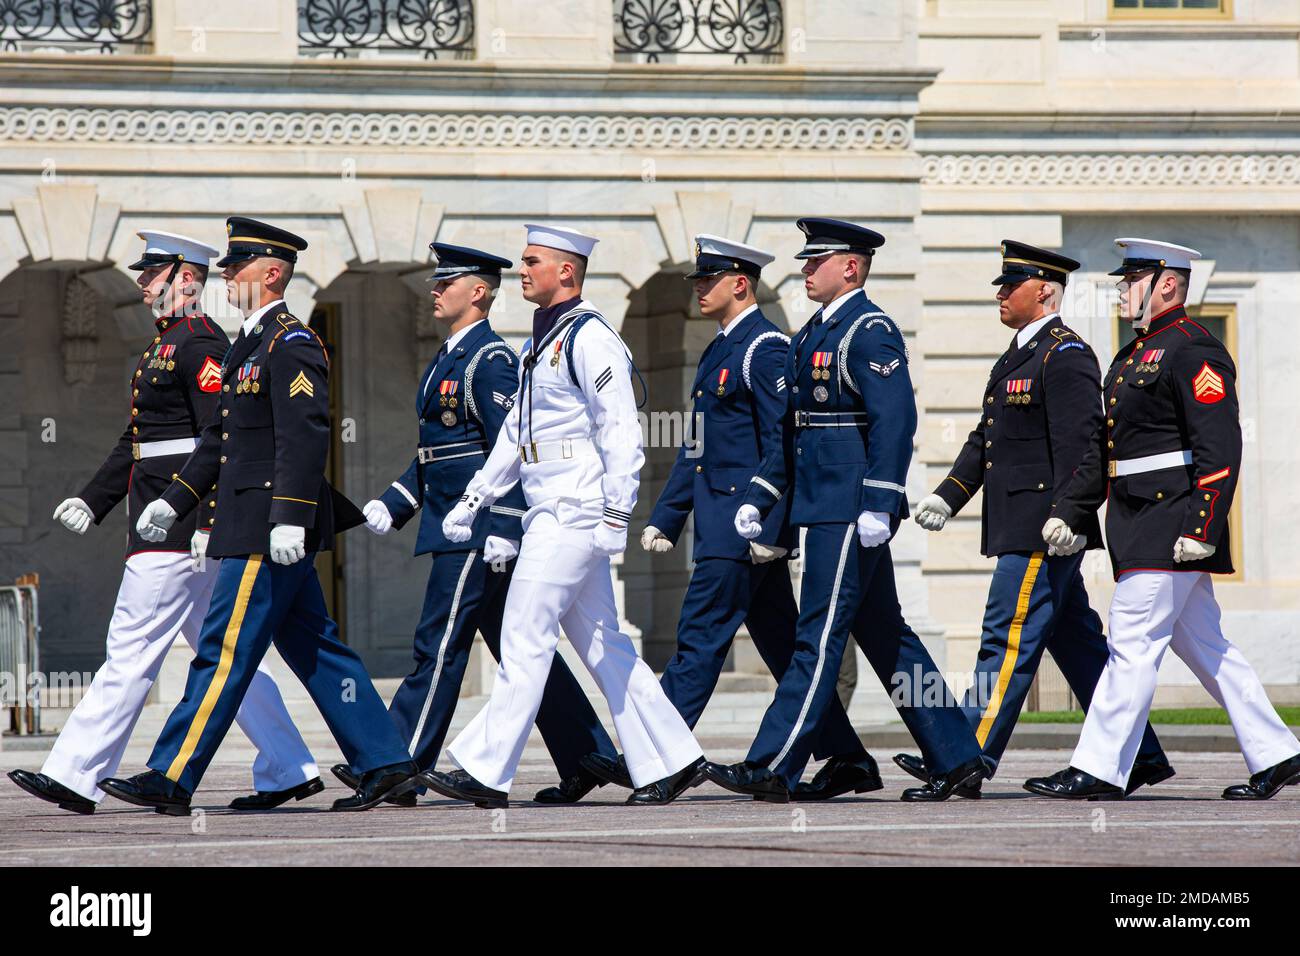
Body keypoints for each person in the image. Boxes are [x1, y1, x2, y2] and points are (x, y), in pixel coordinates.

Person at [98, 217, 417, 815]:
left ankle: (170, 774)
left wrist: (291, 517)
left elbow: (305, 434)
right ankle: (387, 763)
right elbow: (218, 442)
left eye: (236, 266)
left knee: (223, 651)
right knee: (320, 651)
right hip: (251, 521)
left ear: (271, 274)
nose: (225, 274)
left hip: (267, 528)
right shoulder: (246, 344)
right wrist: (174, 502)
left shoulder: (290, 341)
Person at [7, 230, 319, 815]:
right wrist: (93, 499)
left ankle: (75, 773)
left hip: (177, 529)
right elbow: (139, 440)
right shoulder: (168, 343)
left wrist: (205, 519)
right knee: (223, 655)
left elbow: (219, 439)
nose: (143, 283)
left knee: (131, 645)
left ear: (186, 279)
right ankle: (289, 765)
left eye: (153, 274)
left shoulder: (199, 340)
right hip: (163, 519)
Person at [405, 223, 704, 808]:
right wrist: (476, 497)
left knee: (523, 633)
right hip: (548, 504)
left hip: (575, 508)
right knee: (603, 645)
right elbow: (516, 435)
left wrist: (618, 512)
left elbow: (622, 433)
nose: (521, 270)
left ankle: (488, 772)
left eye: (531, 261)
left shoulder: (591, 338)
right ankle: (674, 758)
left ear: (566, 271)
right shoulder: (540, 340)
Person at [584, 233, 880, 801]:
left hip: (742, 529)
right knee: (781, 644)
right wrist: (668, 516)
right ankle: (848, 759)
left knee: (698, 639)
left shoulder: (764, 347)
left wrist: (772, 527)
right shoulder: (723, 348)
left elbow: (782, 442)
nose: (698, 289)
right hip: (723, 521)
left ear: (738, 283)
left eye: (707, 280)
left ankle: (660, 759)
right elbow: (699, 446)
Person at [702, 218, 987, 803]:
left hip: (851, 510)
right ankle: (957, 754)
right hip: (822, 505)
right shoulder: (812, 334)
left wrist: (881, 499)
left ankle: (772, 762)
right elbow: (794, 430)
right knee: (887, 637)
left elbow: (894, 422)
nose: (805, 270)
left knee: (818, 633)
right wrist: (762, 493)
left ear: (851, 267)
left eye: (817, 261)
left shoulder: (870, 330)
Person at [1027, 237, 1300, 801]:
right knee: (1206, 646)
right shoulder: (1134, 356)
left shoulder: (1193, 349)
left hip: (1170, 521)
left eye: (1131, 281)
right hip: (1139, 519)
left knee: (1131, 641)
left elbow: (1219, 447)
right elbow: (1112, 450)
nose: (1122, 292)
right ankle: (1279, 753)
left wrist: (1201, 528)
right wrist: (1076, 510)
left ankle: (1101, 767)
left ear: (1166, 283)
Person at [346, 241, 618, 806]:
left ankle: (396, 762)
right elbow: (436, 454)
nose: (434, 291)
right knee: (513, 646)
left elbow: (512, 447)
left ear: (478, 292)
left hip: (478, 531)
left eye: (446, 283)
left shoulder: (490, 360)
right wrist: (395, 502)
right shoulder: (448, 358)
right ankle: (587, 752)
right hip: (453, 521)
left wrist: (506, 523)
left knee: (439, 642)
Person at [900, 240, 1172, 798]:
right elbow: (987, 439)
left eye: (1010, 286)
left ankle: (964, 758)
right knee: (1081, 648)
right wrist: (949, 496)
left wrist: (1070, 514)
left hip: (1043, 529)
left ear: (1043, 290)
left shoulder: (1065, 354)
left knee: (1005, 640)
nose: (1000, 295)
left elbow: (1085, 446)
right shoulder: (1016, 356)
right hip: (1026, 523)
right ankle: (1136, 752)